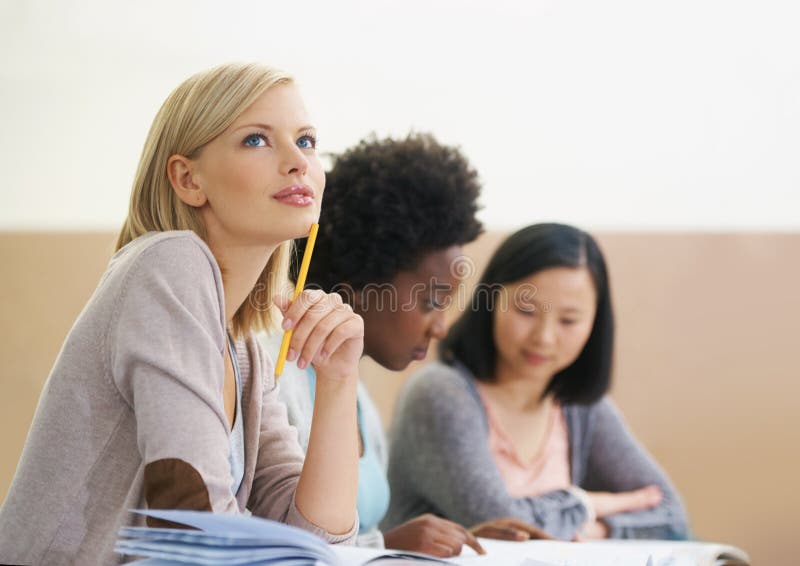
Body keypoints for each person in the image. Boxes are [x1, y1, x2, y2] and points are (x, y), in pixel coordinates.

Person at [0, 63, 365, 565]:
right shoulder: (168, 263)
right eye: (257, 140)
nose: (297, 162)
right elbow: (193, 526)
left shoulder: (245, 349)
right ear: (188, 179)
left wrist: (339, 381)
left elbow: (315, 542)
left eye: (305, 141)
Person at [262, 134, 548, 557]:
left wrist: (441, 538)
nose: (441, 327)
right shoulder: (275, 376)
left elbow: (357, 533)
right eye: (432, 303)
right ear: (358, 289)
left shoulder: (357, 397)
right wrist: (391, 545)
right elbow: (271, 539)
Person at [384, 223, 691, 541]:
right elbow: (507, 527)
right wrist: (585, 504)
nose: (543, 338)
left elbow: (671, 516)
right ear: (491, 300)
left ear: (595, 325)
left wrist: (598, 529)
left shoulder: (581, 408)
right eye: (526, 310)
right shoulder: (439, 395)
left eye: (568, 320)